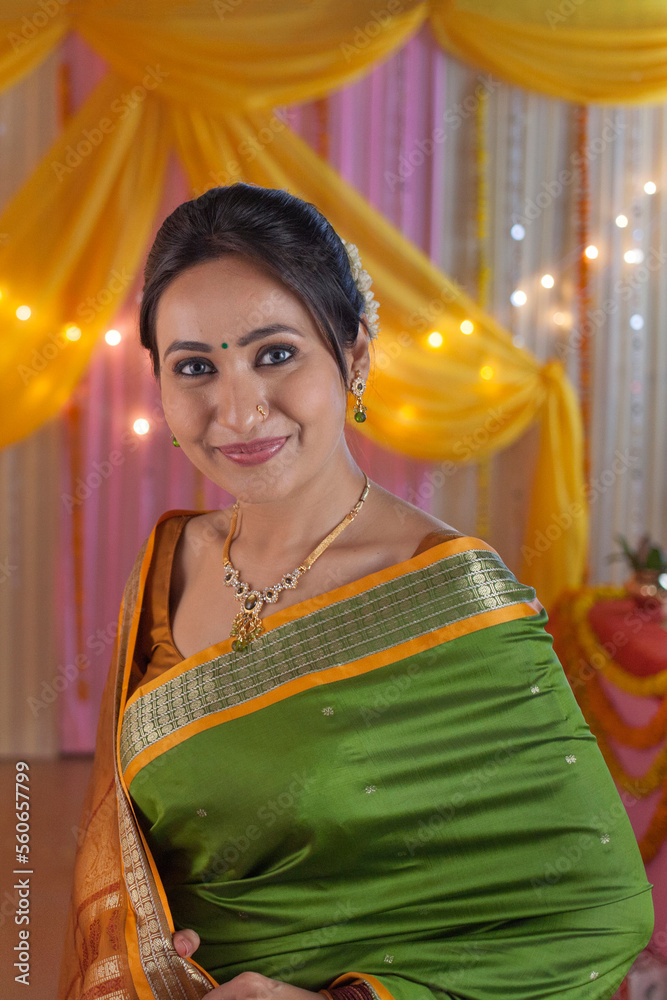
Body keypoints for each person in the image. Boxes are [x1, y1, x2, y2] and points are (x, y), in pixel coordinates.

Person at [57, 183, 654, 1000]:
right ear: (160, 385)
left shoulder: (450, 599)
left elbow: (597, 912)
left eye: (275, 354)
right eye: (195, 367)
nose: (237, 410)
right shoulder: (170, 558)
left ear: (355, 355)